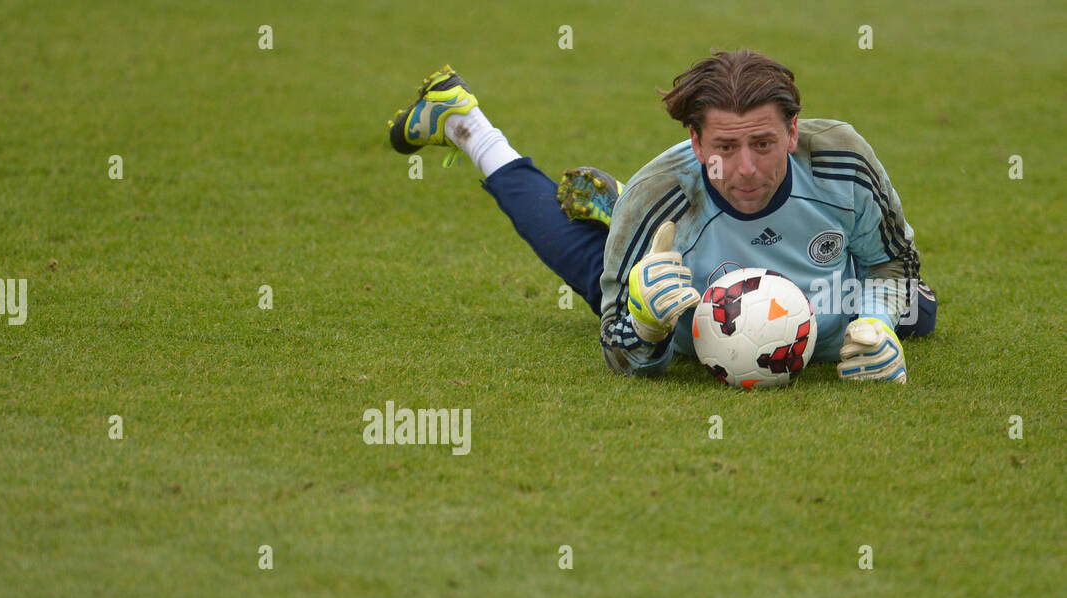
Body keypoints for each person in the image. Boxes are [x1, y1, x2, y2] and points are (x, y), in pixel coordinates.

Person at [386, 51, 937, 383]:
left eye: (765, 143)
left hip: (824, 303)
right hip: (682, 294)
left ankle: (634, 220)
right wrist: (646, 324)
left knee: (921, 316)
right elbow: (621, 353)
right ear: (696, 143)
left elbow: (895, 266)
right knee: (594, 263)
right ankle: (465, 124)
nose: (746, 169)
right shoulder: (659, 197)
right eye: (725, 147)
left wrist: (879, 324)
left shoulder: (841, 159)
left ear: (793, 132)